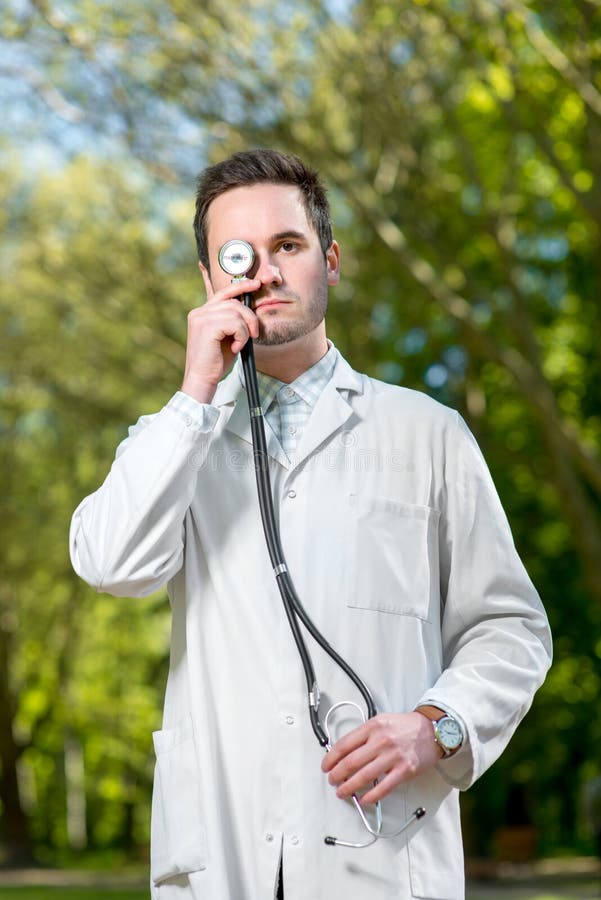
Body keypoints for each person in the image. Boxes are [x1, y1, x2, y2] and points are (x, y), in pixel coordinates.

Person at [69, 149, 552, 900]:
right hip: (223, 856)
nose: (262, 272)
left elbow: (510, 628)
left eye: (286, 247)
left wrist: (438, 724)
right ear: (207, 282)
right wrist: (197, 391)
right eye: (238, 256)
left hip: (381, 852)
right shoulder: (173, 440)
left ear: (329, 261)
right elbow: (111, 564)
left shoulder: (427, 433)